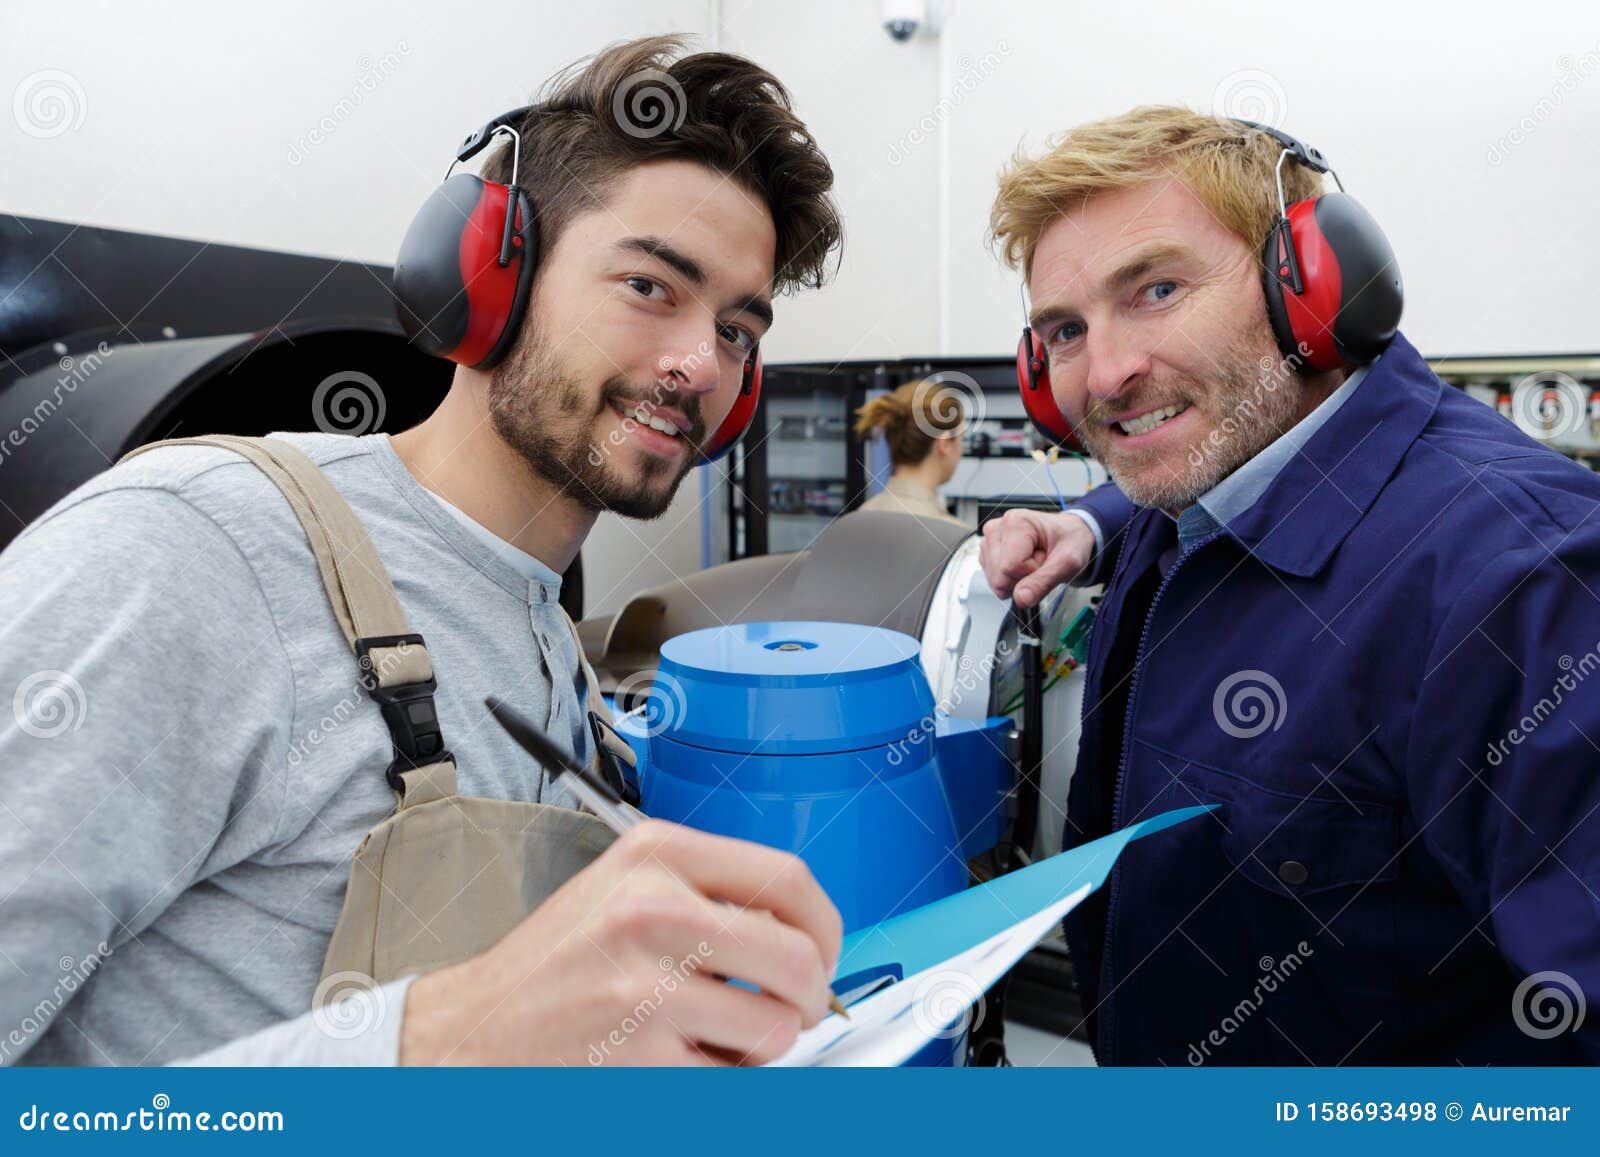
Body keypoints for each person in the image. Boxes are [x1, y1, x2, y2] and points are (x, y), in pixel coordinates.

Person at [0, 35, 845, 1067]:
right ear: (487, 276)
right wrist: (441, 1037)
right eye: (650, 286)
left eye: (737, 330)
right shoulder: (190, 549)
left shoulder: (547, 638)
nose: (697, 362)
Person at [978, 106, 1600, 1064]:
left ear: (1311, 288)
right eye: (1064, 329)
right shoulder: (1195, 489)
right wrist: (1089, 523)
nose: (1102, 375)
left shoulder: (1525, 586)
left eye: (1155, 289)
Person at [852, 380, 966, 523]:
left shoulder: (854, 520)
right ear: (944, 444)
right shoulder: (956, 535)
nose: (961, 450)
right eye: (961, 439)